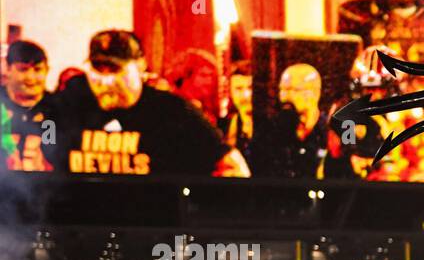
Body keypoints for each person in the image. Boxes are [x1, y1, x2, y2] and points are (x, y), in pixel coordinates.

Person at [50, 30, 248, 176]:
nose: (106, 81)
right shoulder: (67, 105)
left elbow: (232, 166)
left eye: (115, 70)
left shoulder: (174, 112)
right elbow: (40, 157)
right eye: (98, 70)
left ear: (140, 65)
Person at [1, 39, 54, 171]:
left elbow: (58, 157)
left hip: (44, 188)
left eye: (37, 70)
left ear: (47, 70)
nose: (30, 77)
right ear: (7, 69)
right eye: (23, 70)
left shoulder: (57, 107)